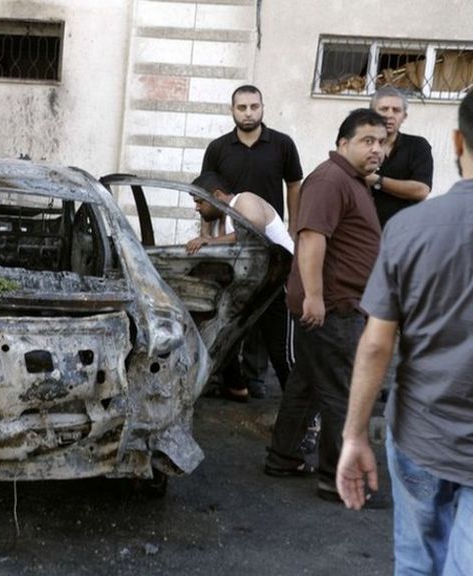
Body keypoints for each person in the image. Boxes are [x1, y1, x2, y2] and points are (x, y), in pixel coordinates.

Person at [336, 91, 473, 574]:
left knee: (417, 563)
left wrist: (354, 436)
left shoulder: (411, 229)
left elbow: (376, 343)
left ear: (457, 140)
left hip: (421, 435)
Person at [264, 109, 386, 506]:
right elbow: (312, 237)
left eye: (382, 142)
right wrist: (314, 295)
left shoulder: (351, 181)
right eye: (368, 140)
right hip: (332, 307)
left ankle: (283, 458)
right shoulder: (330, 179)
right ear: (343, 143)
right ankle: (337, 481)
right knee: (342, 393)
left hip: (337, 305)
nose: (377, 149)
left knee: (307, 386)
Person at [201, 85, 304, 399]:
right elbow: (209, 197)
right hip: (236, 247)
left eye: (253, 106)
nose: (248, 112)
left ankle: (257, 380)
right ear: (232, 110)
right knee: (236, 311)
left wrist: (297, 231)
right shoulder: (218, 148)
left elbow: (295, 186)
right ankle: (233, 380)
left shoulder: (282, 145)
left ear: (262, 107)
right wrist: (211, 240)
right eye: (242, 107)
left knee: (267, 318)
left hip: (269, 247)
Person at [186, 172, 294, 401]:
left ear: (217, 195)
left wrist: (211, 241)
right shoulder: (224, 220)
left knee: (281, 352)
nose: (197, 208)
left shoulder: (243, 200)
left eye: (199, 202)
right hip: (259, 285)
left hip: (282, 282)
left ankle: (304, 414)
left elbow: (253, 231)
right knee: (223, 331)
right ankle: (237, 387)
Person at [367, 86, 433, 226]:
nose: (390, 115)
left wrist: (377, 180)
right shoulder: (359, 145)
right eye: (384, 109)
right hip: (363, 234)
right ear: (371, 113)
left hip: (405, 233)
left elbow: (421, 190)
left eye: (396, 110)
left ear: (404, 116)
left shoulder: (418, 146)